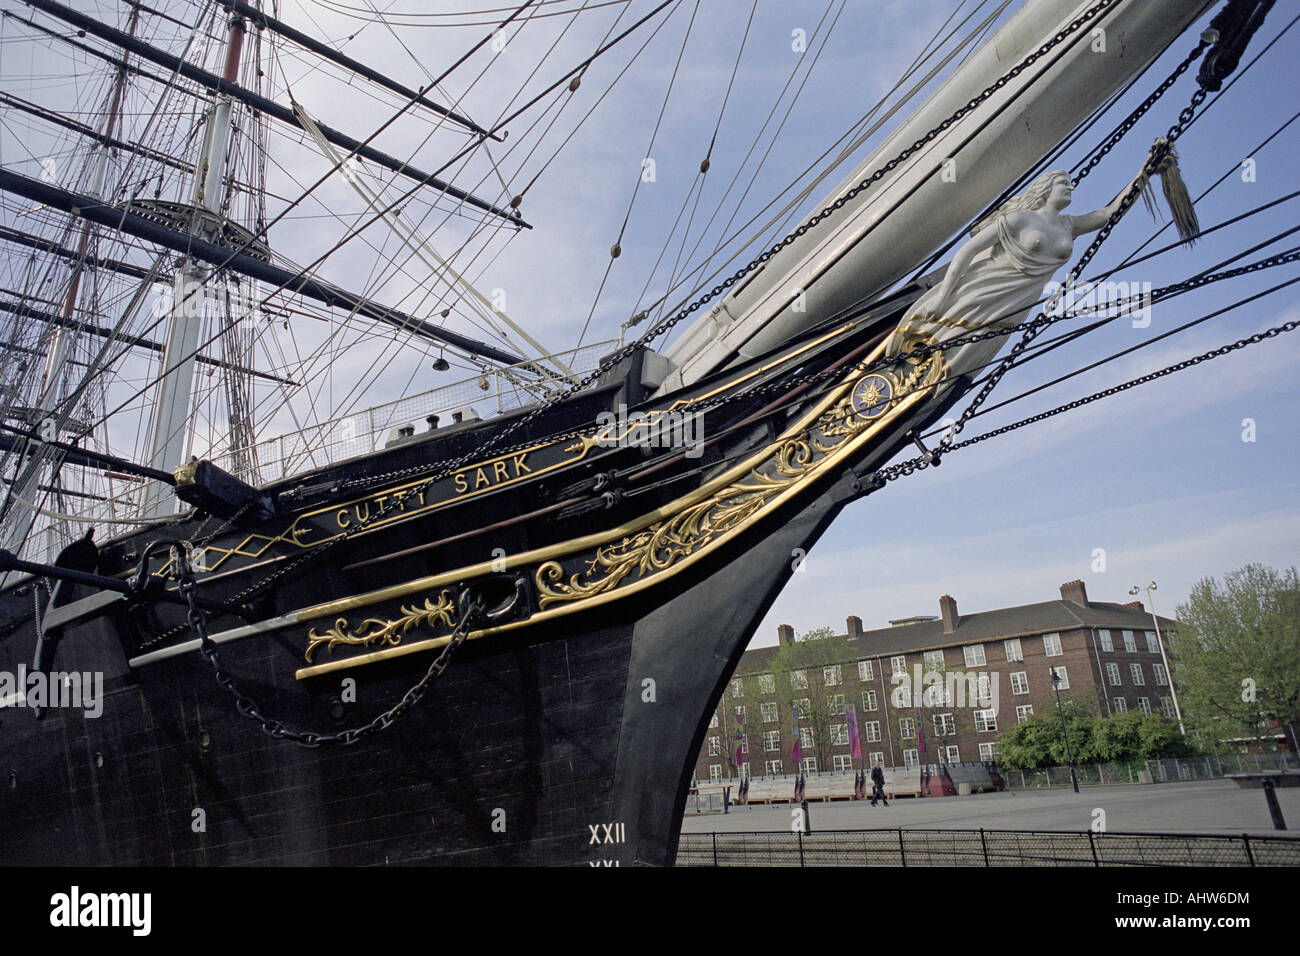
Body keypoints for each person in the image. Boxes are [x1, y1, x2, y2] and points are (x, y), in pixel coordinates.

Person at [885, 158, 1155, 381]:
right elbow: (967, 251)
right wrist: (944, 294)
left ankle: (934, 378)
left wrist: (1144, 173)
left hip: (1014, 304)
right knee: (949, 331)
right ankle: (911, 366)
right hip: (984, 287)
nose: (1070, 187)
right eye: (1063, 182)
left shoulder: (1069, 226)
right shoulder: (1019, 219)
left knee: (970, 348)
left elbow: (1108, 214)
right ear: (1046, 189)